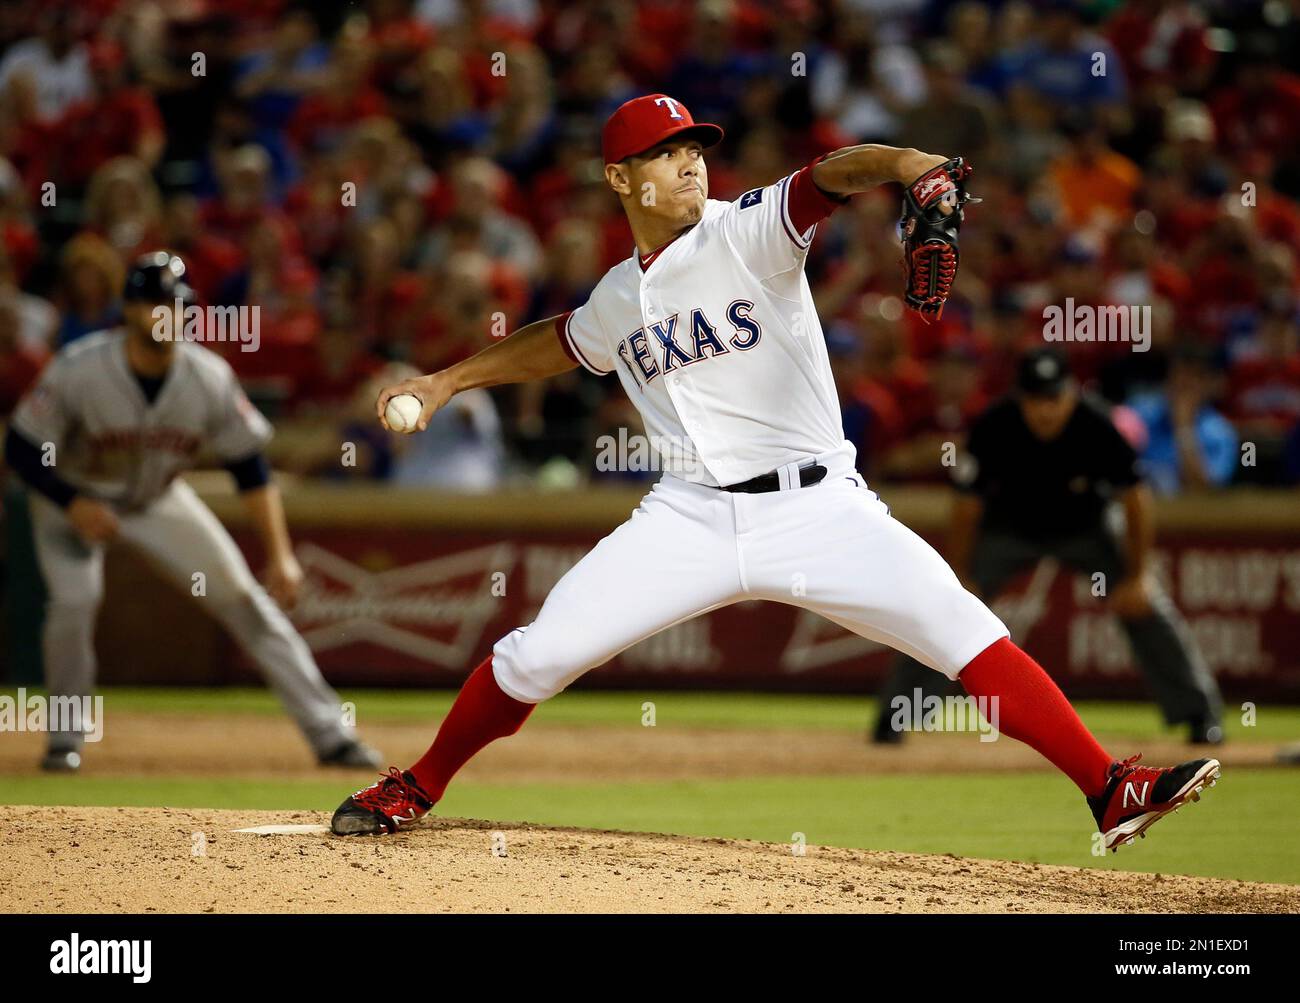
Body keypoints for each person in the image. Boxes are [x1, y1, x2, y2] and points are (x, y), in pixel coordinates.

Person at [331, 95, 1219, 852]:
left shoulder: (748, 230)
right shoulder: (614, 297)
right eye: (664, 154)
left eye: (693, 150)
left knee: (966, 632)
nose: (688, 165)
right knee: (540, 654)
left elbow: (833, 174)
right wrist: (446, 379)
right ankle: (419, 782)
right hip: (686, 516)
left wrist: (910, 163)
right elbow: (559, 343)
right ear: (616, 179)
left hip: (820, 508)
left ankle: (1110, 789)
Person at [4, 252, 380, 772]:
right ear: (130, 309)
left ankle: (331, 735)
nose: (165, 315)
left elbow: (249, 469)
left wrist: (280, 554)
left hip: (158, 499)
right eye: (154, 303)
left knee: (245, 598)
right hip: (73, 498)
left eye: (176, 305)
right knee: (74, 601)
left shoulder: (208, 376)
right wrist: (71, 502)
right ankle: (64, 740)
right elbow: (21, 448)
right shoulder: (80, 367)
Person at [871, 348, 1224, 746]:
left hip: (1087, 528)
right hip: (1009, 529)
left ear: (1071, 393)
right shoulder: (994, 424)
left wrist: (1137, 575)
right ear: (1021, 397)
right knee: (948, 606)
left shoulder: (1097, 422)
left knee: (1146, 604)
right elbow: (966, 506)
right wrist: (962, 575)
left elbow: (1136, 499)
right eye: (1037, 400)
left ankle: (1201, 714)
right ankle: (896, 714)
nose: (1046, 411)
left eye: (1054, 398)